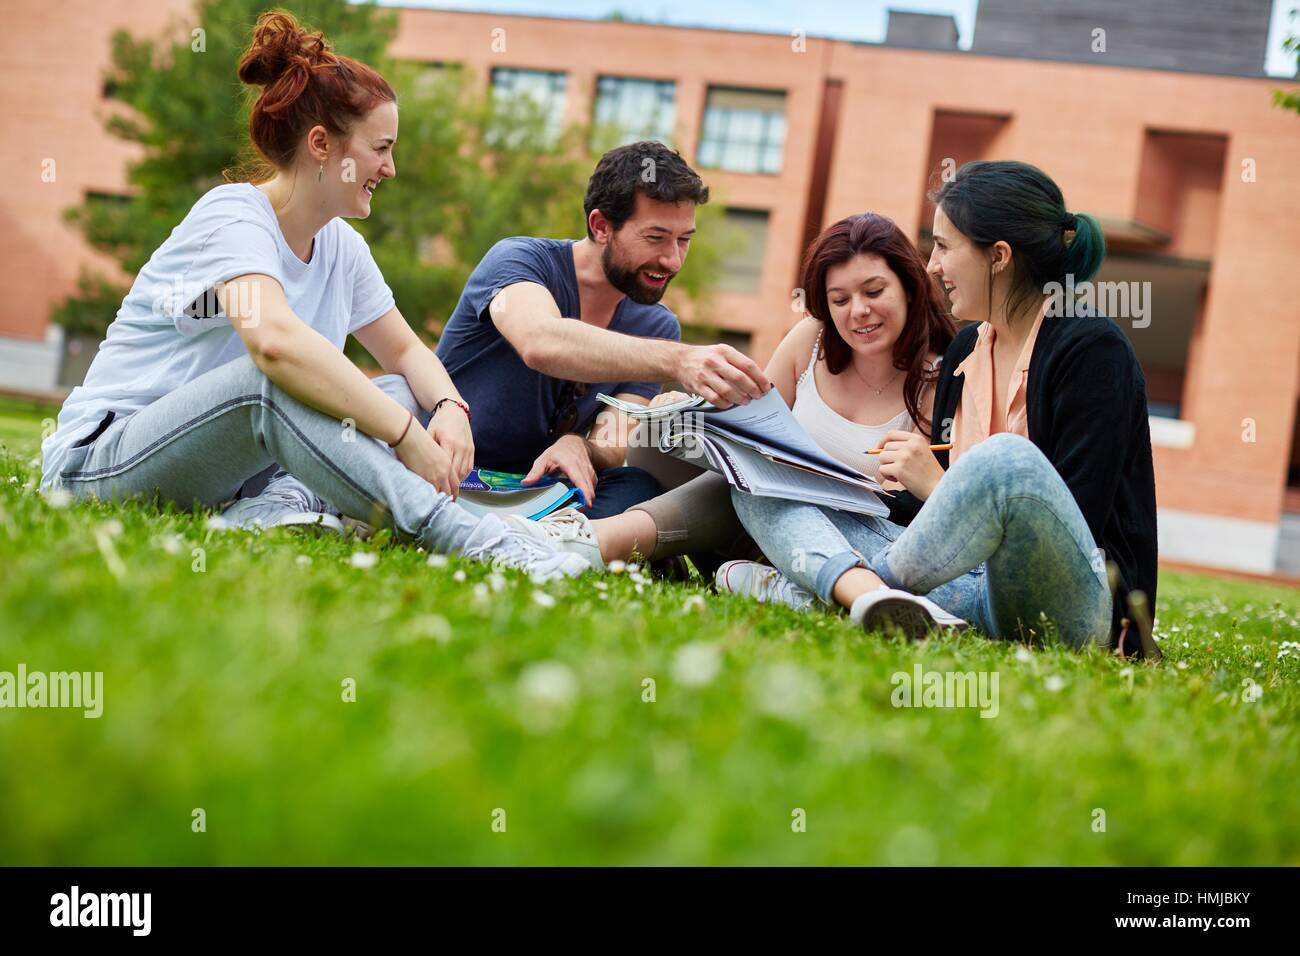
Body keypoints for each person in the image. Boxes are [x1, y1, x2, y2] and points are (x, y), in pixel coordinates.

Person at [38, 12, 588, 582]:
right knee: (275, 383)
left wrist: (449, 409)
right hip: (103, 463)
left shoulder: (341, 248)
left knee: (404, 391)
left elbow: (405, 354)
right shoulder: (233, 214)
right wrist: (405, 438)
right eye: (381, 148)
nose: (390, 168)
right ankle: (478, 541)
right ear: (322, 144)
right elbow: (274, 345)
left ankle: (272, 508)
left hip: (225, 473)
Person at [721, 161, 1160, 657]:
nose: (931, 266)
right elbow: (930, 526)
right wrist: (844, 491)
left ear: (998, 256)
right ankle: (865, 597)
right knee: (760, 483)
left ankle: (843, 591)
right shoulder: (968, 348)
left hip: (1068, 606)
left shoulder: (1091, 349)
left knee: (1004, 460)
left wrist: (936, 483)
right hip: (968, 589)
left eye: (945, 247)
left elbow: (1073, 523)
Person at [518, 211, 956, 579]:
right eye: (839, 299)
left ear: (909, 286)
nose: (858, 312)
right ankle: (606, 542)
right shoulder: (812, 340)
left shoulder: (942, 379)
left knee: (762, 495)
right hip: (749, 523)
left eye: (874, 292)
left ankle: (591, 542)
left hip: (836, 546)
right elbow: (755, 426)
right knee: (668, 446)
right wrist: (691, 416)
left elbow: (935, 507)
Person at [433, 141, 770, 520]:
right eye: (656, 238)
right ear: (601, 226)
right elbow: (540, 342)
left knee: (637, 486)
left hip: (533, 489)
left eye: (684, 240)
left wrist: (581, 446)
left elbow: (613, 437)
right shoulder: (519, 260)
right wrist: (679, 361)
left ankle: (546, 537)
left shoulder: (657, 325)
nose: (672, 260)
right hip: (449, 470)